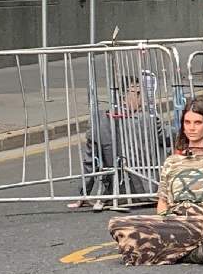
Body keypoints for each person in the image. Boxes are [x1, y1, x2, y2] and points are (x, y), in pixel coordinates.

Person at [107, 99, 203, 265]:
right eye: (187, 122)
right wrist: (166, 219)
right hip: (174, 220)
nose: (191, 128)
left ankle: (154, 250)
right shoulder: (172, 162)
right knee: (117, 224)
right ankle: (187, 252)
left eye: (198, 122)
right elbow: (162, 204)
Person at [68, 78, 166, 211]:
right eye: (139, 94)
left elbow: (90, 162)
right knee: (170, 145)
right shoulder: (148, 119)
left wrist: (83, 194)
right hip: (149, 192)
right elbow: (168, 138)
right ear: (125, 97)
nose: (142, 100)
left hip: (117, 194)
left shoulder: (98, 121)